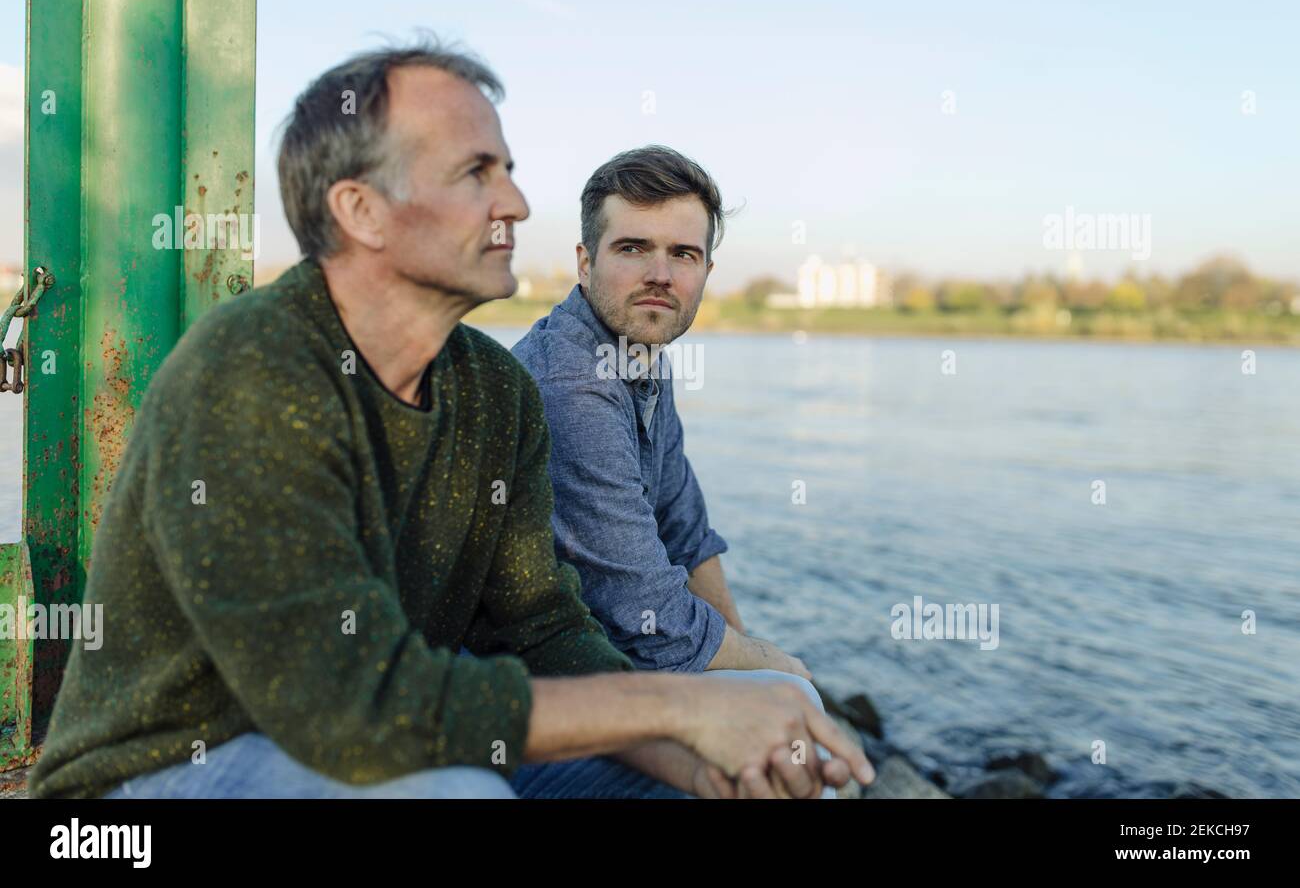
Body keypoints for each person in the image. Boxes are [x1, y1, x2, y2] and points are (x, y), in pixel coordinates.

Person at [28, 40, 872, 801]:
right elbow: (345, 706)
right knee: (449, 797)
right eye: (477, 173)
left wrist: (693, 754)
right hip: (160, 777)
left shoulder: (495, 392)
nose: (517, 202)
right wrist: (673, 706)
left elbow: (543, 626)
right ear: (361, 211)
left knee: (727, 776)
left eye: (507, 169)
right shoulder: (251, 368)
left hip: (396, 733)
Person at [508, 147, 838, 798]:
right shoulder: (574, 382)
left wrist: (758, 671)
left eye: (683, 255)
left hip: (602, 674)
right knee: (777, 731)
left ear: (706, 271)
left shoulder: (641, 354)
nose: (660, 274)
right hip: (521, 707)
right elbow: (650, 620)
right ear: (584, 262)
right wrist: (780, 668)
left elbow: (685, 532)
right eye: (633, 247)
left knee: (785, 714)